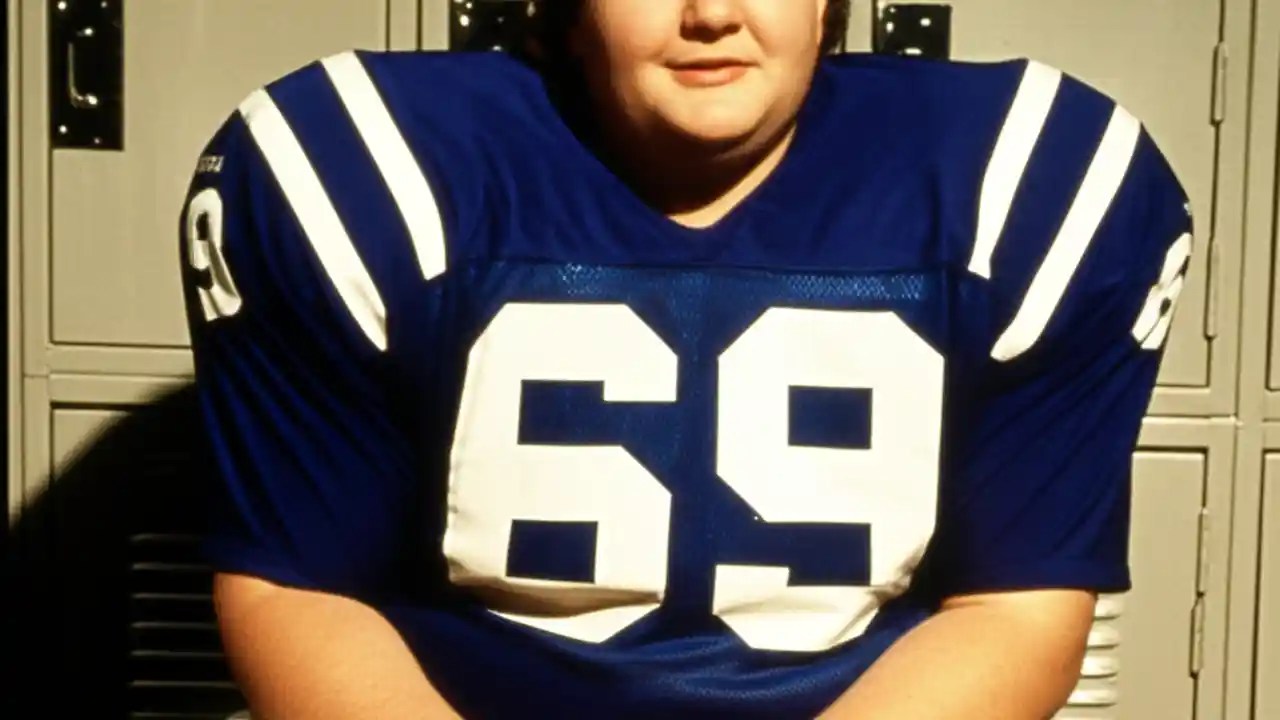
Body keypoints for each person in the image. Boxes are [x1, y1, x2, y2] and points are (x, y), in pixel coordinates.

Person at [178, 0, 1194, 717]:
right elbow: (297, 590)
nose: (710, 12)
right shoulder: (357, 169)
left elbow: (1011, 611)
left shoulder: (1032, 182)